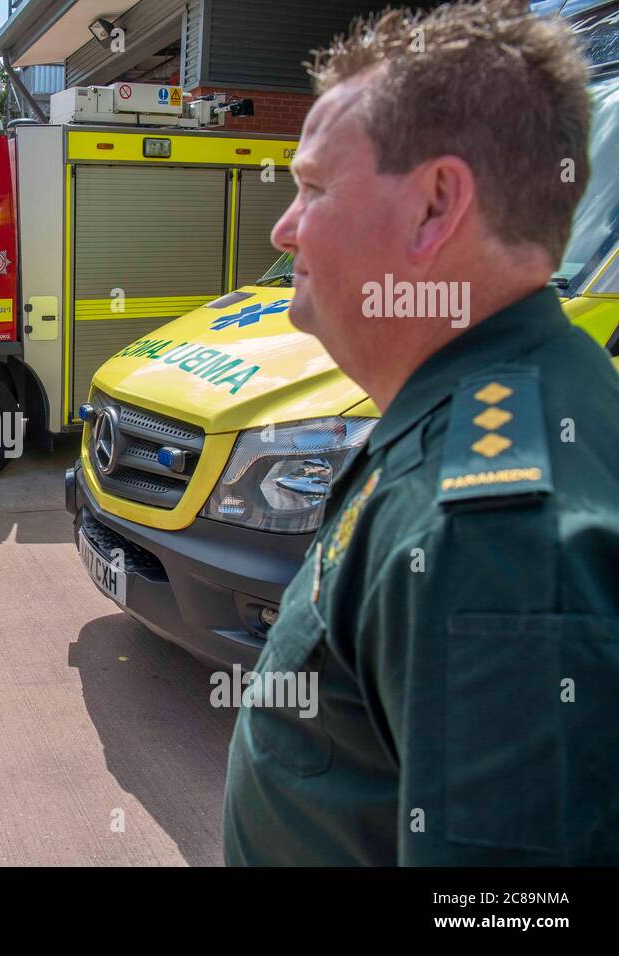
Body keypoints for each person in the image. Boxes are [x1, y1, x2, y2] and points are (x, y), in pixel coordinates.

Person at [222, 0, 619, 865]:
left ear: (437, 204)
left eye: (315, 187)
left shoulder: (493, 537)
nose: (282, 228)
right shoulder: (511, 389)